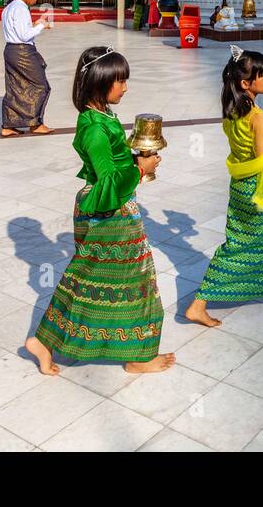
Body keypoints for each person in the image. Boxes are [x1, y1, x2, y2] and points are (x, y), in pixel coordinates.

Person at [26, 47, 173, 376]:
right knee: (134, 282)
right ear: (100, 82)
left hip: (119, 207)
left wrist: (135, 156)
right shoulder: (93, 128)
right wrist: (139, 169)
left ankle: (44, 341)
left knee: (88, 280)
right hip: (110, 212)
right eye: (120, 81)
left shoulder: (101, 114)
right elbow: (107, 186)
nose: (125, 87)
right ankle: (137, 356)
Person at [186, 48, 263, 326]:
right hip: (256, 187)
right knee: (244, 246)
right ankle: (199, 303)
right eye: (262, 74)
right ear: (246, 83)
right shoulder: (256, 115)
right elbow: (259, 159)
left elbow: (248, 149)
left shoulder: (232, 111)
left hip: (239, 185)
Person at [0, 0, 54, 137]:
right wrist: (42, 24)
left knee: (14, 87)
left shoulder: (9, 7)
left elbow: (18, 30)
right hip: (23, 52)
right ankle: (35, 123)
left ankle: (8, 125)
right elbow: (24, 35)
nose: (35, 2)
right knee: (41, 86)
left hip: (10, 49)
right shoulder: (21, 9)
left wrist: (35, 24)